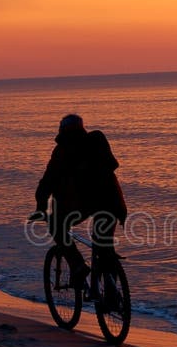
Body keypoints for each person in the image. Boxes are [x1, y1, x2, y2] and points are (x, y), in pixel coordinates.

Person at [30, 114, 127, 282]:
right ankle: (113, 294)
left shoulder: (62, 151)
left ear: (62, 129)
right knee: (104, 244)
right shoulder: (97, 140)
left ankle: (78, 265)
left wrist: (41, 207)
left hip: (83, 204)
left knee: (56, 226)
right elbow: (112, 164)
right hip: (111, 201)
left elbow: (48, 181)